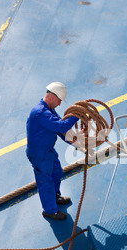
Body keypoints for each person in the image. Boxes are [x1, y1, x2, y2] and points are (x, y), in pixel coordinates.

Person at [26, 82, 79, 220]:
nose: (60, 104)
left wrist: (76, 144)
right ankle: (50, 210)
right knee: (45, 180)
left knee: (57, 172)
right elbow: (62, 127)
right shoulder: (40, 113)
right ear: (53, 97)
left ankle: (55, 196)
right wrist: (76, 115)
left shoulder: (48, 110)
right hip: (39, 154)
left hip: (47, 151)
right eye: (60, 100)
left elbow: (61, 131)